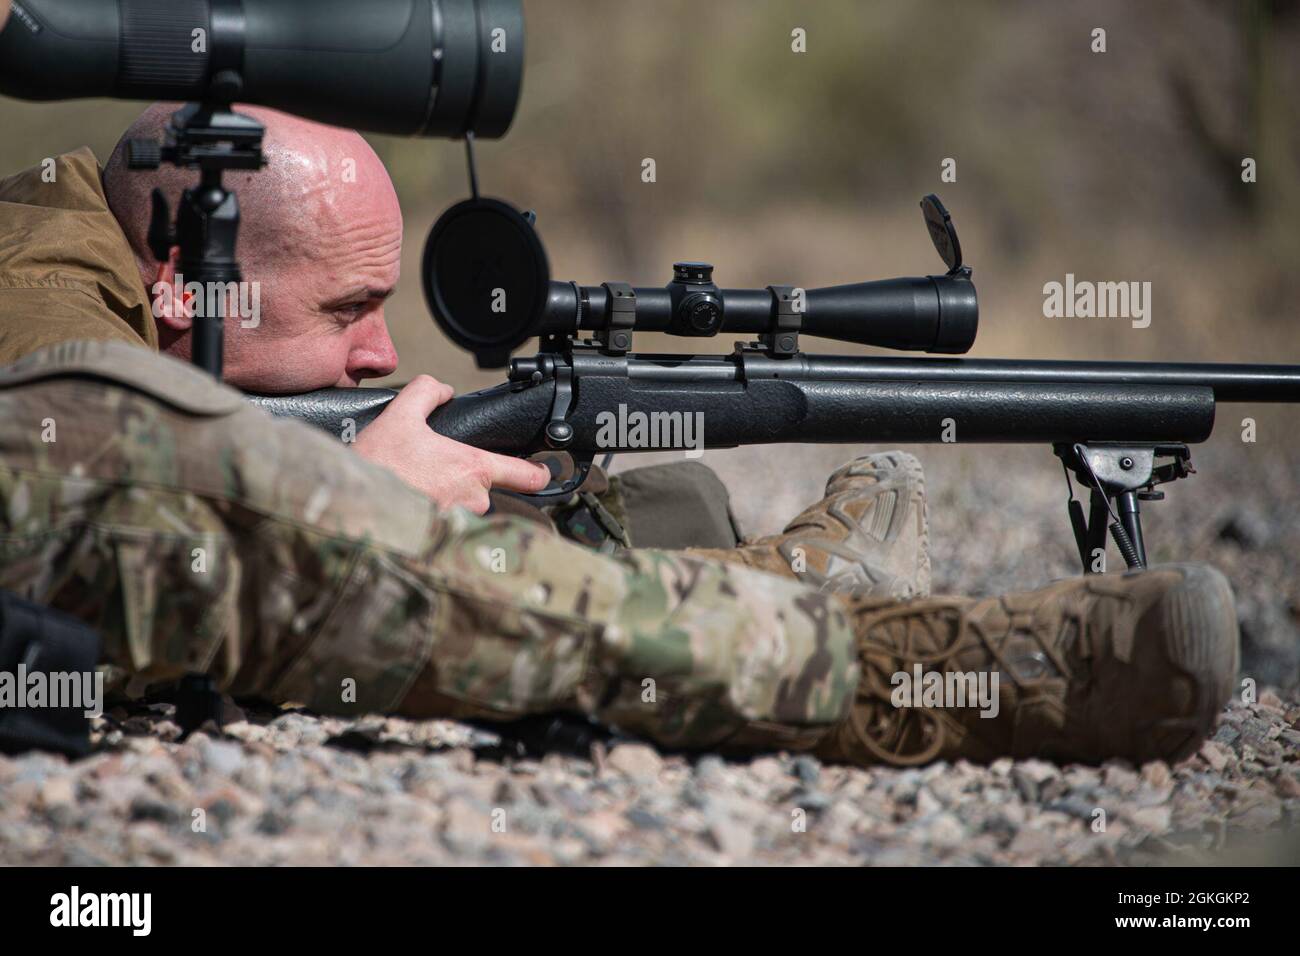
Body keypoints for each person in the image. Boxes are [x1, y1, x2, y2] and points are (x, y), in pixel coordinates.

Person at [0, 105, 1239, 766]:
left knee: (637, 503)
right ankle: (954, 668)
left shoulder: (74, 238)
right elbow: (130, 517)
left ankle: (802, 585)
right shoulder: (36, 294)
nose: (384, 354)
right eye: (346, 313)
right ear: (187, 283)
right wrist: (355, 485)